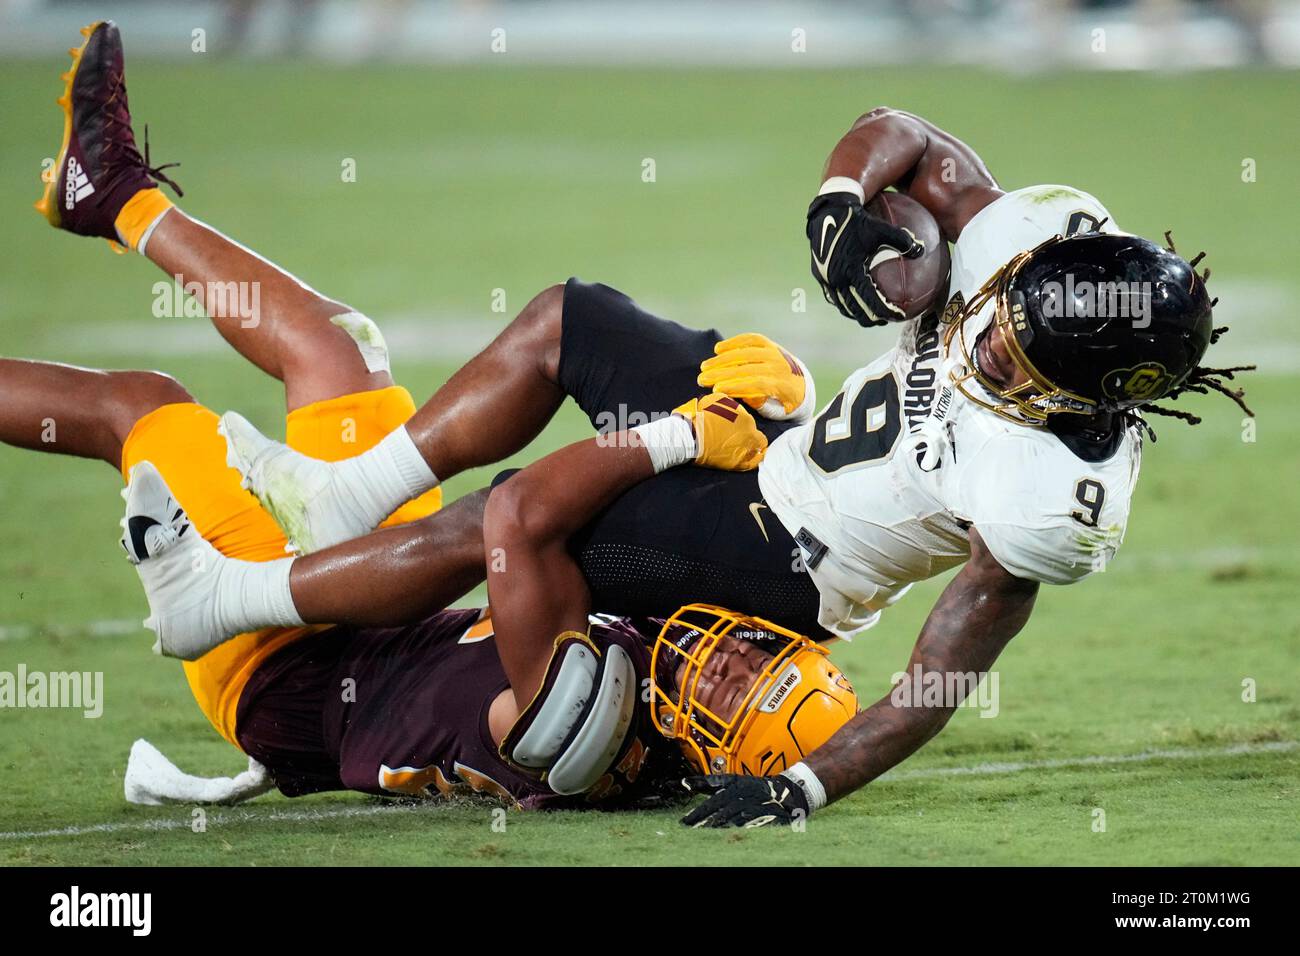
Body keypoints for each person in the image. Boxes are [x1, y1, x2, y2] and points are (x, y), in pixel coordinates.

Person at [217, 111, 1254, 827]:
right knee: (568, 320)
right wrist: (841, 200)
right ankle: (354, 491)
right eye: (1002, 314)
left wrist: (808, 784)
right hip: (779, 448)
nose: (981, 339)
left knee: (513, 519)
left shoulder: (1047, 500)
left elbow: (936, 678)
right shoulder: (1040, 241)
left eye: (1009, 359)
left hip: (779, 559)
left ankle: (232, 601)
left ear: (1084, 396)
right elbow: (912, 134)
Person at [20, 20, 856, 809]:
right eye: (757, 659)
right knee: (336, 347)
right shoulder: (669, 663)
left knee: (140, 404)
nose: (726, 660)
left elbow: (517, 514)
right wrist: (786, 404)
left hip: (291, 662)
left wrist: (686, 432)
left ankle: (219, 595)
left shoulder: (593, 727)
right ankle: (115, 195)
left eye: (731, 694)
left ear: (720, 756)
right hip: (391, 597)